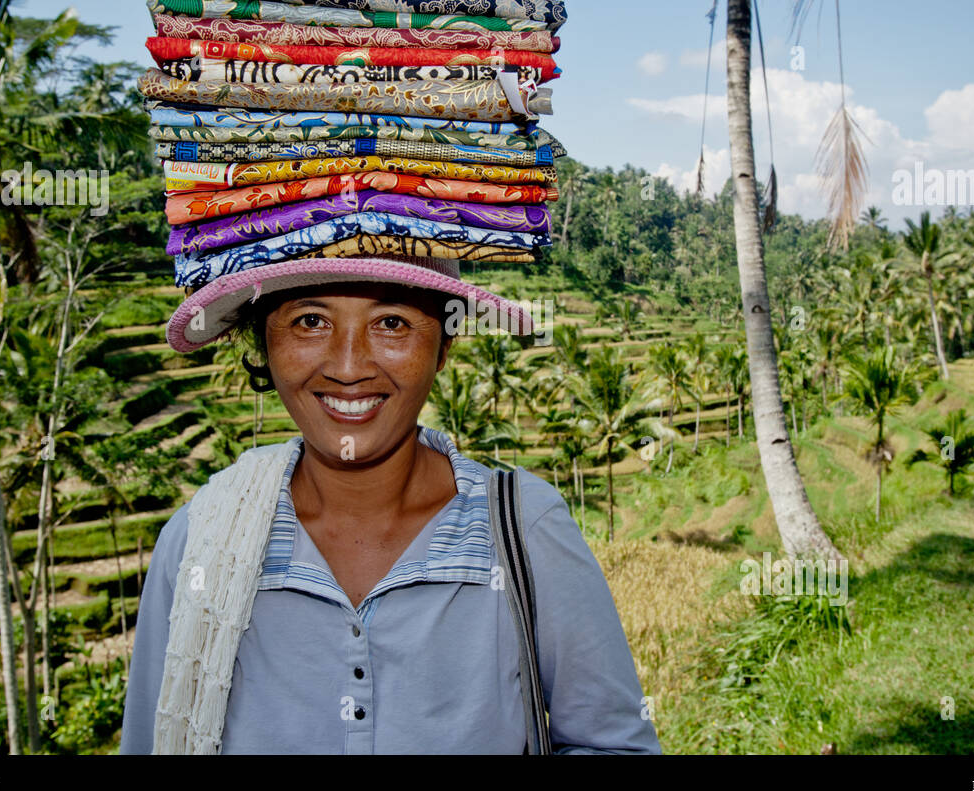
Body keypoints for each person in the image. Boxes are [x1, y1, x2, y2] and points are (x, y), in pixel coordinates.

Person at [119, 255, 660, 754]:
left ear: (444, 345)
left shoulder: (523, 528)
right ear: (264, 343)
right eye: (310, 320)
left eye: (393, 323)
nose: (349, 367)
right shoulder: (202, 544)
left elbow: (612, 741)